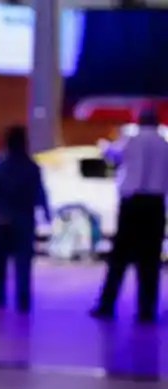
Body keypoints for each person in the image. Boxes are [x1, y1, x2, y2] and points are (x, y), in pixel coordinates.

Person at [93, 108, 168, 324]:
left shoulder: (130, 141)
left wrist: (103, 146)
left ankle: (107, 305)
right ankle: (147, 310)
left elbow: (112, 155)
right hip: (155, 205)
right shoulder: (165, 145)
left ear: (139, 121)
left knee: (119, 257)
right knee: (150, 260)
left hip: (132, 204)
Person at [0, 125, 50, 313]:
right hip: (24, 221)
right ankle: (23, 300)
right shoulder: (31, 167)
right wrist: (47, 215)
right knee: (23, 264)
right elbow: (40, 193)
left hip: (1, 220)